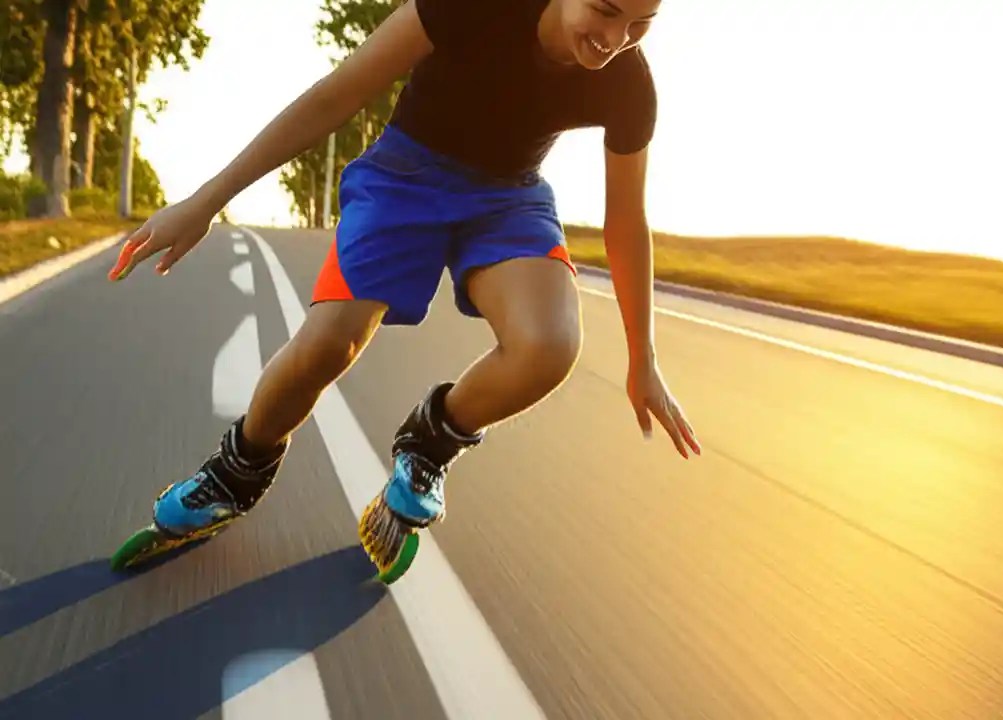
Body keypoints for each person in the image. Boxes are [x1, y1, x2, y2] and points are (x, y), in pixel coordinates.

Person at [107, 0, 700, 583]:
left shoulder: (628, 82)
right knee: (329, 344)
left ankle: (429, 444)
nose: (616, 37)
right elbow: (335, 96)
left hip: (507, 200)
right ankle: (236, 472)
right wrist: (206, 201)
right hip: (402, 178)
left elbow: (626, 219)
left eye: (640, 24)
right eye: (605, 10)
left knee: (549, 347)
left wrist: (642, 358)